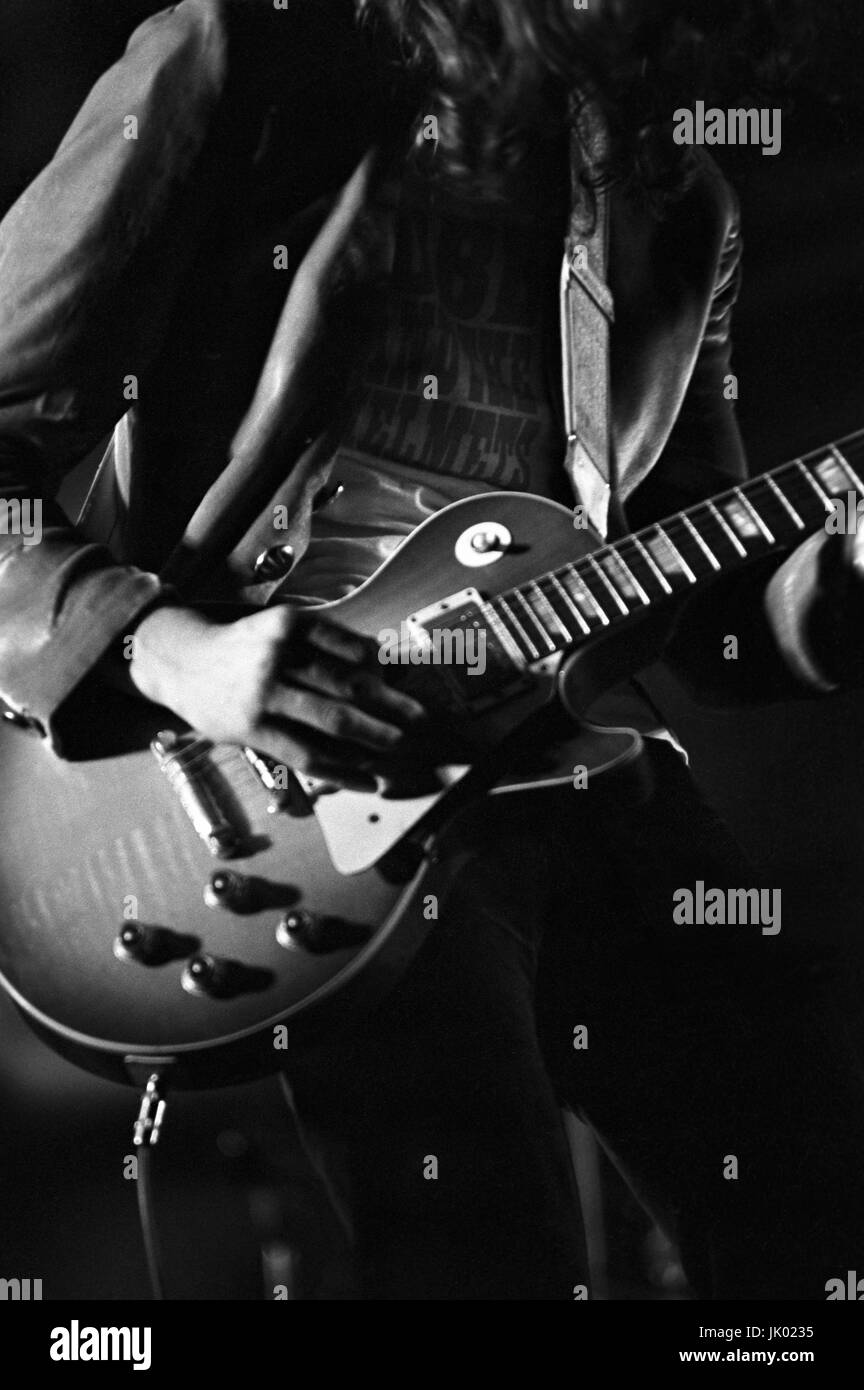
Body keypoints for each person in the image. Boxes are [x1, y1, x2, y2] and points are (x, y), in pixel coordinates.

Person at [0, 0, 862, 1299]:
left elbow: (713, 598)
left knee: (823, 1215)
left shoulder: (672, 199)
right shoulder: (236, 64)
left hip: (568, 770)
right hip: (272, 791)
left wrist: (834, 584)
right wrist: (179, 653)